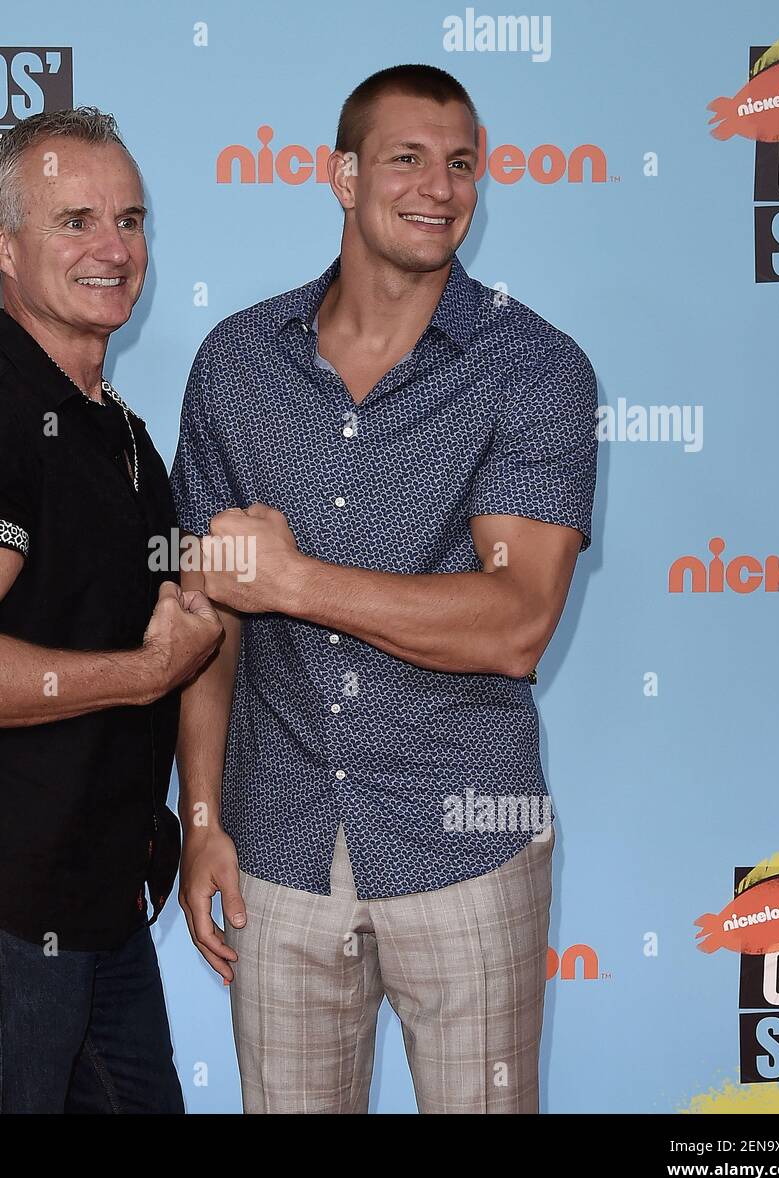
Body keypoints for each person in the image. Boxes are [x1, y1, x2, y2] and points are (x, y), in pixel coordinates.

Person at [171, 64, 598, 1113]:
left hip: (464, 843)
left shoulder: (534, 369)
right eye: (407, 158)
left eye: (461, 163)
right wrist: (203, 817)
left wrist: (297, 579)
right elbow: (206, 619)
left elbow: (515, 624)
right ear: (341, 174)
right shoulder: (235, 363)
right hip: (275, 845)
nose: (438, 186)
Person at [0, 106, 222, 1114]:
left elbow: (193, 623)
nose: (113, 248)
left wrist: (199, 819)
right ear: (2, 246)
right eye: (75, 221)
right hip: (3, 914)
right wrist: (145, 674)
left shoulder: (116, 433)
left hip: (102, 908)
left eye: (130, 219)